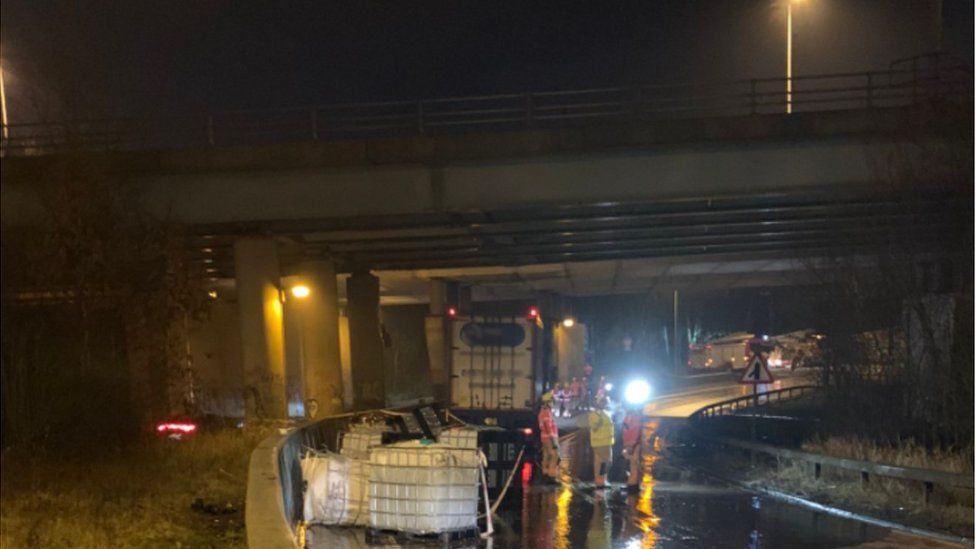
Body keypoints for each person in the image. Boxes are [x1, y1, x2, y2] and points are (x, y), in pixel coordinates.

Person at [588, 396, 615, 488]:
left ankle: (600, 481)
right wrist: (599, 418)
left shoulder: (606, 413)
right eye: (603, 402)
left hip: (605, 441)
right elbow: (594, 427)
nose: (605, 403)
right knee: (606, 462)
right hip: (601, 442)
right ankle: (601, 480)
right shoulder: (594, 414)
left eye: (606, 402)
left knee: (600, 462)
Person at [538, 391, 560, 484]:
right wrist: (553, 440)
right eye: (551, 401)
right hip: (550, 438)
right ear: (547, 402)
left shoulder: (542, 411)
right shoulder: (547, 412)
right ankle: (551, 476)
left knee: (546, 456)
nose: (553, 403)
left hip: (544, 438)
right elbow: (548, 426)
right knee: (554, 456)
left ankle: (545, 474)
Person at [621, 405, 643, 494]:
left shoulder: (631, 418)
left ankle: (633, 484)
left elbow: (628, 432)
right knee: (634, 465)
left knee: (633, 465)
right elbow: (626, 432)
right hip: (633, 445)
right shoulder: (634, 418)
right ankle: (634, 484)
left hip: (633, 445)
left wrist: (629, 445)